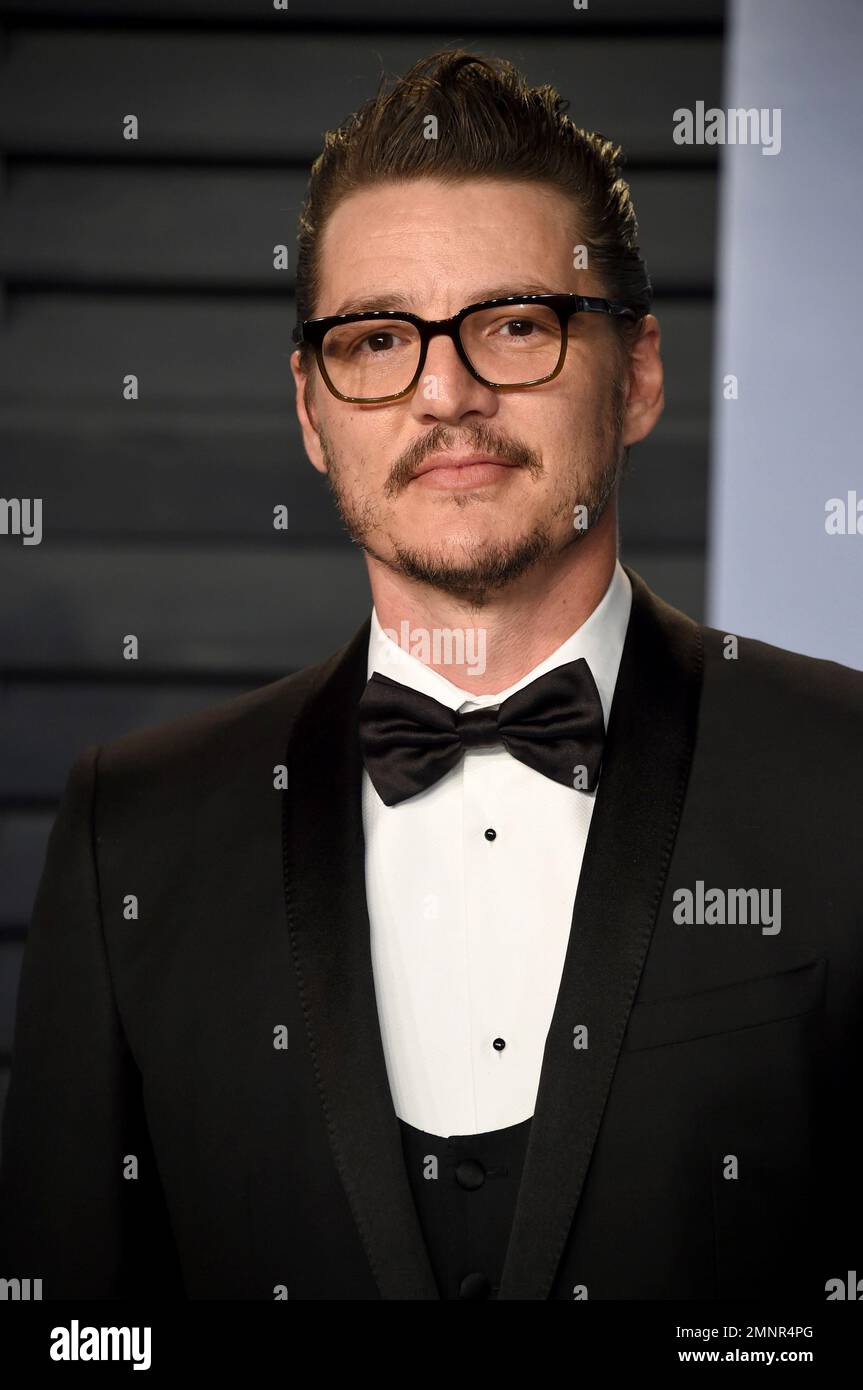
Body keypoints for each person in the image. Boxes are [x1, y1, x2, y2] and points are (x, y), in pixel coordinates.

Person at [1, 49, 860, 1302]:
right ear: (311, 407)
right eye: (376, 337)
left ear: (638, 375)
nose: (444, 393)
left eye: (515, 324)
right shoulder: (129, 837)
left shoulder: (844, 775)